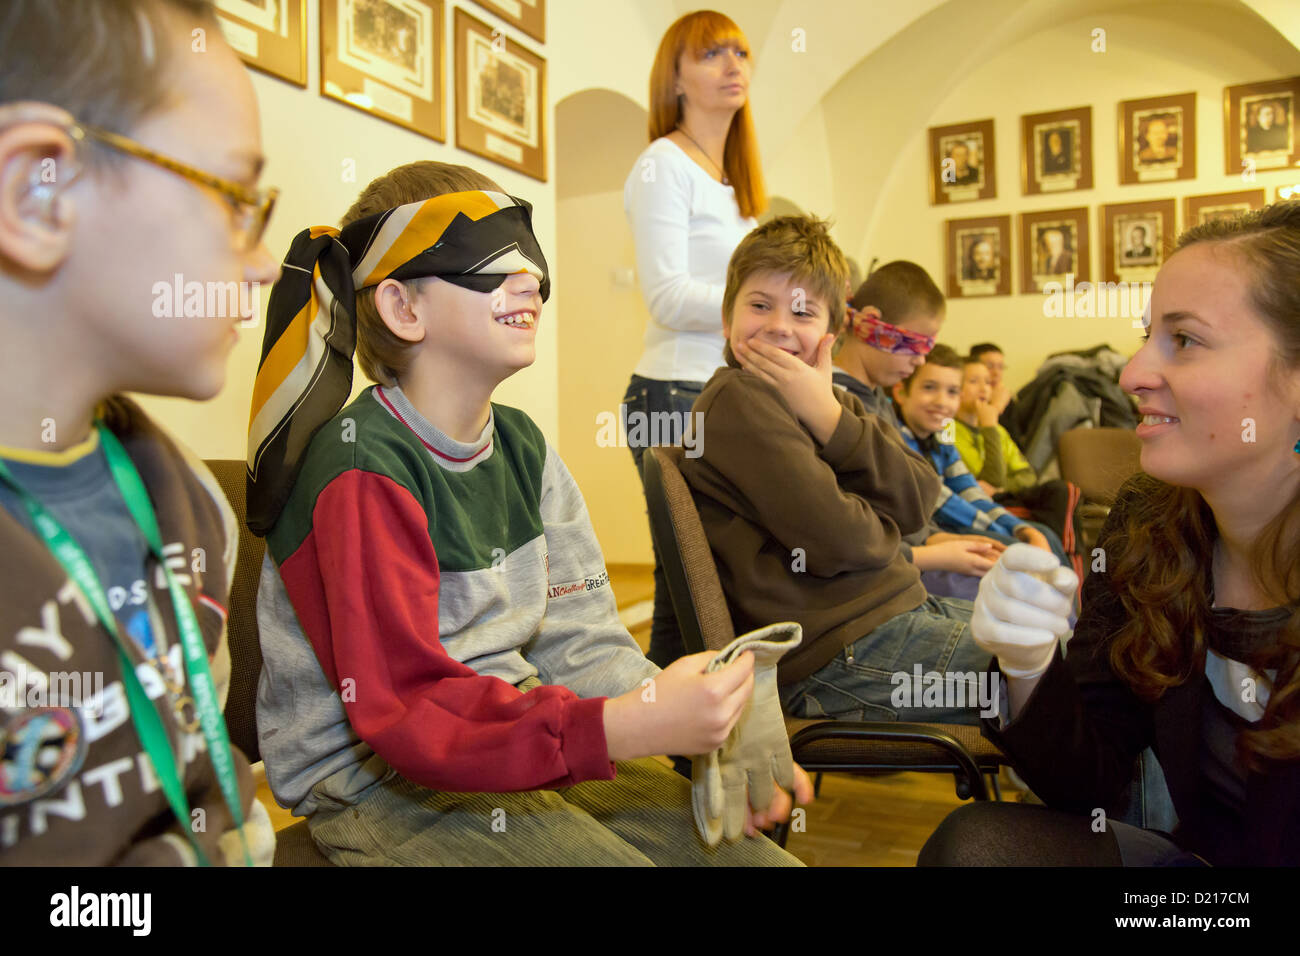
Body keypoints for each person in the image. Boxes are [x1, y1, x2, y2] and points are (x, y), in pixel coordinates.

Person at [247, 160, 808, 866]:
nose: (529, 282)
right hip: (383, 781)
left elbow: (580, 640)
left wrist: (684, 714)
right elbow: (408, 710)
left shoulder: (525, 448)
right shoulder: (360, 469)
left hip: (517, 738)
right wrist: (625, 729)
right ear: (402, 308)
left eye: (532, 265)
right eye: (489, 264)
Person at [919, 202, 1300, 866]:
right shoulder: (1149, 525)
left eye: (1184, 340)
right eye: (1148, 335)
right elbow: (1088, 782)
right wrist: (1029, 662)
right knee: (974, 850)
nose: (1130, 374)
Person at [0, 0, 279, 865]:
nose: (264, 261)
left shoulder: (187, 499)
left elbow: (211, 794)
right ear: (39, 191)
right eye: (237, 199)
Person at [679, 218, 994, 727]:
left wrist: (828, 416)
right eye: (760, 305)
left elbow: (918, 498)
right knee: (1068, 678)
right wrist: (879, 522)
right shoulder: (739, 401)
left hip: (888, 614)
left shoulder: (827, 401)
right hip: (828, 653)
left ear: (830, 332)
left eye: (802, 311)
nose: (780, 325)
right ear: (726, 319)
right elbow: (840, 541)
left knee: (1075, 654)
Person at [623, 10, 766, 669]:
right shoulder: (662, 166)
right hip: (673, 394)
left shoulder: (735, 184)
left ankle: (682, 744)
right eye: (712, 54)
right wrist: (764, 314)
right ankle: (671, 742)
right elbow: (667, 297)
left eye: (739, 51)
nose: (733, 64)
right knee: (691, 578)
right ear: (675, 78)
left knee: (696, 579)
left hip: (722, 391)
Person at [834, 262, 1004, 599]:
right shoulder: (837, 406)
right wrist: (932, 550)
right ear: (870, 323)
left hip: (914, 552)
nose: (921, 360)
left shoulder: (881, 401)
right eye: (916, 344)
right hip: (886, 574)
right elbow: (859, 522)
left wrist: (937, 538)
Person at [890, 346, 1071, 568]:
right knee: (1021, 552)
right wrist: (1007, 530)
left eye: (952, 392)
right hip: (930, 530)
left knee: (1045, 534)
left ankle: (1072, 599)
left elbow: (970, 488)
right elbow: (942, 499)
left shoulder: (940, 434)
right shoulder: (899, 435)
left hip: (961, 517)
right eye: (929, 388)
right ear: (900, 393)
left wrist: (1020, 528)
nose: (941, 401)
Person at [954, 358, 1037, 496]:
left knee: (1057, 490)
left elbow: (1029, 476)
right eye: (973, 381)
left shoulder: (997, 429)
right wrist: (989, 427)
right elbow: (992, 480)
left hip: (1005, 495)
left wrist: (1003, 489)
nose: (983, 389)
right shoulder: (947, 428)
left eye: (987, 382)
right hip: (974, 500)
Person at [969, 341, 1016, 420]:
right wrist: (996, 407)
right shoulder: (968, 400)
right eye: (990, 366)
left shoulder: (1006, 398)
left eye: (1000, 367)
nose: (996, 373)